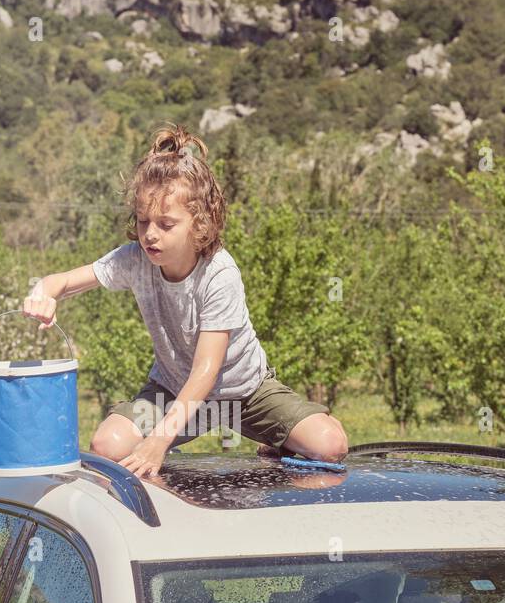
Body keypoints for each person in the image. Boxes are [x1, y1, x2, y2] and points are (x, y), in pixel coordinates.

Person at [21, 122, 349, 479]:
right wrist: (44, 293)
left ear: (200, 223)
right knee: (107, 446)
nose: (150, 234)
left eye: (166, 224)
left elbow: (206, 370)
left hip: (245, 395)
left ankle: (276, 437)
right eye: (143, 221)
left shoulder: (219, 273)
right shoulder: (136, 260)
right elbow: (63, 281)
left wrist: (159, 440)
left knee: (330, 445)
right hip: (172, 391)